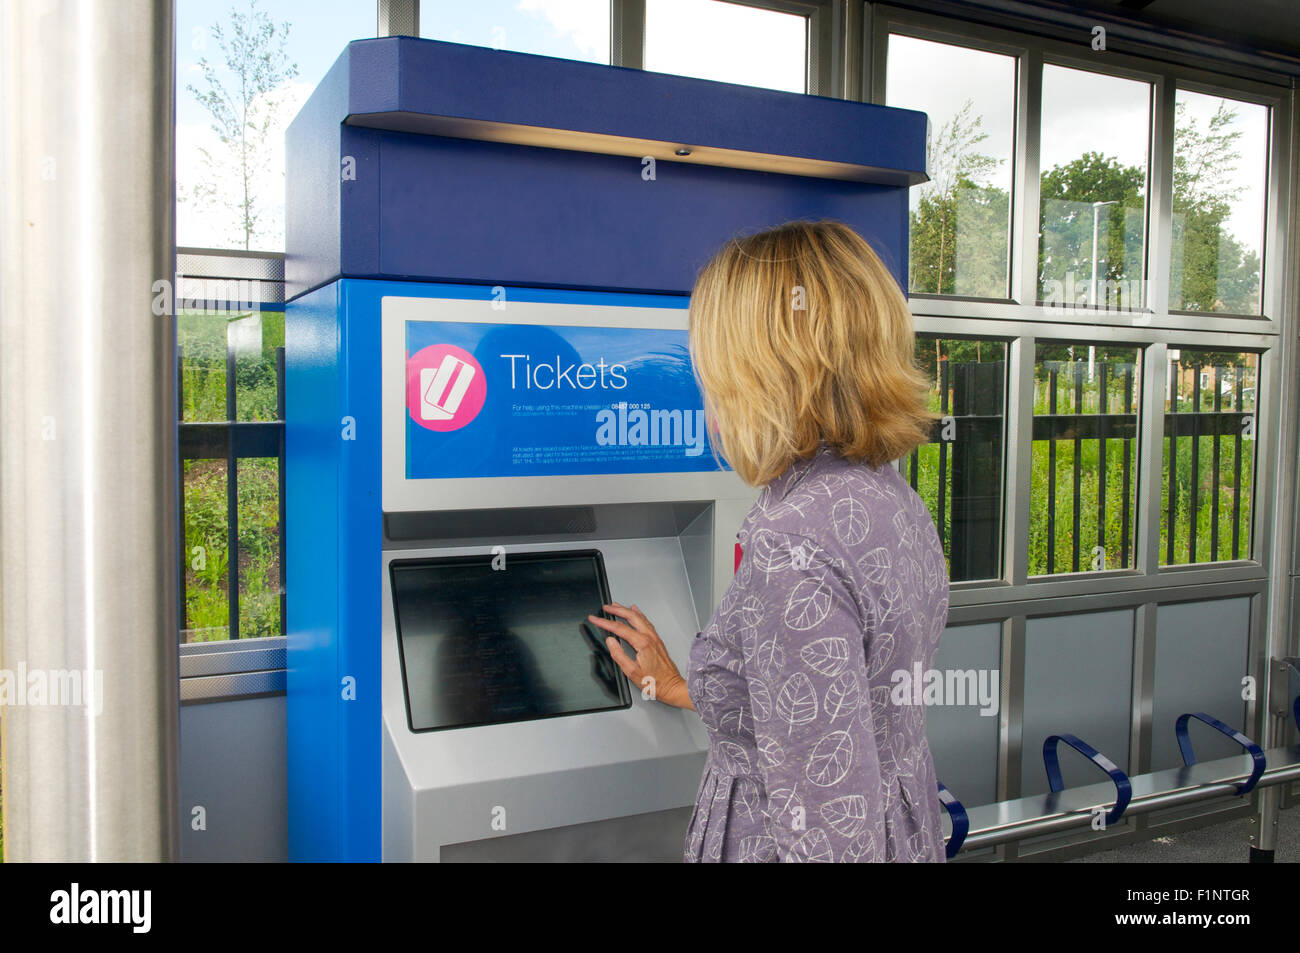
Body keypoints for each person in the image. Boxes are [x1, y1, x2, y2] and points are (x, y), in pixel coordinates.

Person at [587, 220, 951, 863]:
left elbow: (830, 835)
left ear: (763, 374)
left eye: (715, 369)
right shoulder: (888, 497)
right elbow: (823, 704)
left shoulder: (793, 545)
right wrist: (676, 686)